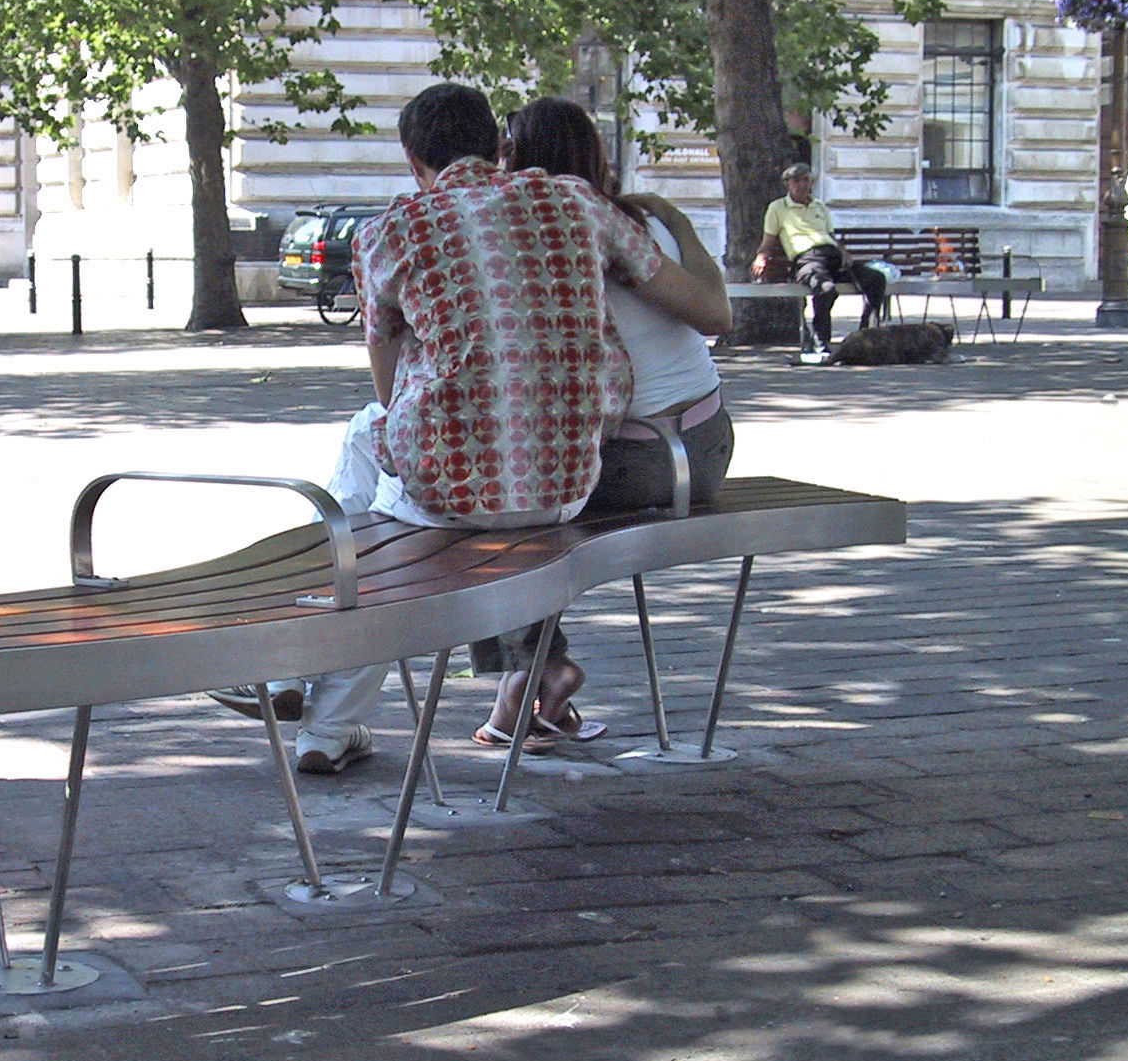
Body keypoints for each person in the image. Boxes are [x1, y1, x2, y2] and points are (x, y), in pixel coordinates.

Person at [211, 82, 716, 774]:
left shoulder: (389, 230)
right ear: (497, 145)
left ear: (413, 159)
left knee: (367, 507)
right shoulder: (576, 202)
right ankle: (327, 728)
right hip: (571, 480)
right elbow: (681, 292)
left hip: (460, 489)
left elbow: (387, 386)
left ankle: (290, 671)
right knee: (376, 504)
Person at [469, 96, 734, 750]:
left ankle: (535, 671)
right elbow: (715, 311)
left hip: (634, 461)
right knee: (536, 482)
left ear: (514, 159)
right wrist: (677, 218)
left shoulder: (545, 232)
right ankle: (526, 698)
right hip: (707, 443)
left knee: (485, 495)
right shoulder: (644, 220)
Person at [753, 163, 887, 360]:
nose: (802, 185)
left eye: (806, 180)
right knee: (825, 289)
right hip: (808, 259)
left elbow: (830, 236)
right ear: (787, 184)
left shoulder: (819, 206)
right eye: (796, 180)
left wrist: (844, 253)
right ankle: (820, 341)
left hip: (832, 255)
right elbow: (768, 240)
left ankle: (865, 335)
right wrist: (761, 257)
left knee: (876, 279)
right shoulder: (777, 208)